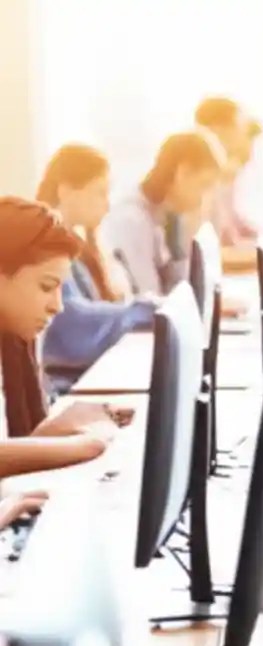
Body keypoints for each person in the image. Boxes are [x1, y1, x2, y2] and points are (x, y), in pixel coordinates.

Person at [0, 197, 130, 487]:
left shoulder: (12, 341)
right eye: (46, 286)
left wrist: (61, 425)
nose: (57, 306)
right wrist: (86, 445)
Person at [35, 144, 156, 392]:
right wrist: (143, 311)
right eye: (99, 193)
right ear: (66, 191)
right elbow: (70, 319)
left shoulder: (76, 245)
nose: (107, 204)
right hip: (62, 384)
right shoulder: (42, 245)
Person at [99, 130, 225, 296]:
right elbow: (151, 300)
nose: (207, 198)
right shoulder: (132, 221)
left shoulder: (169, 215)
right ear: (183, 173)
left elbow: (183, 289)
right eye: (204, 185)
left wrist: (191, 239)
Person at [195, 96, 259, 247]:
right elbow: (222, 236)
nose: (243, 134)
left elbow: (234, 223)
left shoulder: (227, 174)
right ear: (217, 130)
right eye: (238, 126)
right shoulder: (199, 179)